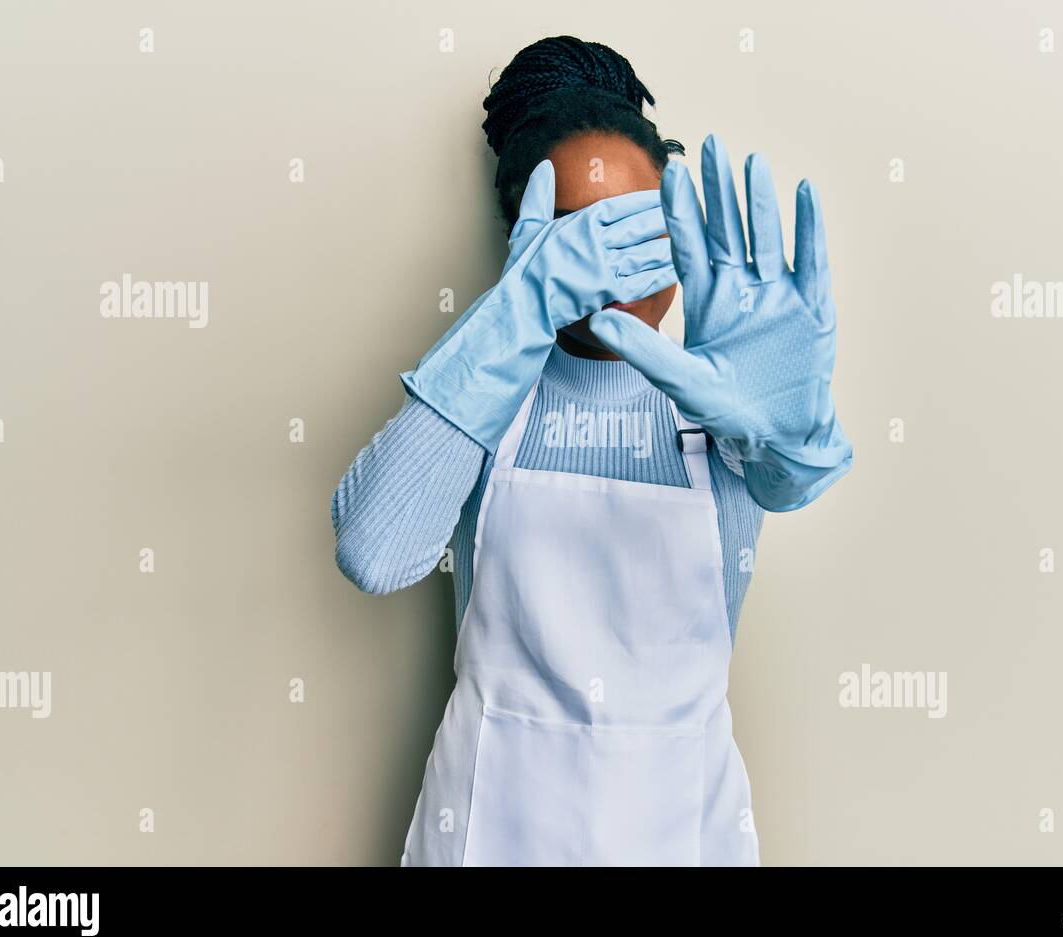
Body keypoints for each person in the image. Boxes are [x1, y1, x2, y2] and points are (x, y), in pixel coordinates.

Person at [332, 35, 852, 866]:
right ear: (526, 239)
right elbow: (373, 551)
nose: (613, 272)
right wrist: (511, 317)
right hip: (487, 832)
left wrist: (791, 428)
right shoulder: (486, 395)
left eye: (641, 233)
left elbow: (789, 483)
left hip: (685, 835)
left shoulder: (722, 400)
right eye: (580, 240)